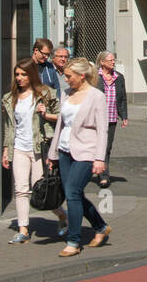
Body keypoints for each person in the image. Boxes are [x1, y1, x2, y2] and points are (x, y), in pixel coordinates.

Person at [46, 58, 111, 257]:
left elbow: (103, 130)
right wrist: (53, 153)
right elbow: (60, 125)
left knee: (73, 192)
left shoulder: (96, 96)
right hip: (65, 151)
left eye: (69, 76)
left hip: (86, 152)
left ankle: (74, 241)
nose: (65, 80)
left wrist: (99, 159)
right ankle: (100, 227)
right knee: (73, 195)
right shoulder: (66, 94)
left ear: (81, 76)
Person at [1, 59, 66, 243]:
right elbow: (9, 127)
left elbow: (63, 117)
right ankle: (23, 230)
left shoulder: (45, 93)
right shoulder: (9, 98)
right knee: (21, 190)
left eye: (23, 74)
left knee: (42, 191)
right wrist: (6, 150)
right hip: (19, 148)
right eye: (17, 75)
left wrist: (46, 114)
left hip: (39, 148)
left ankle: (62, 216)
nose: (19, 78)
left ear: (31, 75)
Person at [94, 51, 128, 187]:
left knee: (107, 147)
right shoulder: (95, 77)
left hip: (112, 117)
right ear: (102, 62)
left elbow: (123, 98)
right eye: (110, 60)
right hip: (96, 118)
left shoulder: (119, 78)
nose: (113, 62)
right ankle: (93, 170)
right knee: (94, 147)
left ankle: (104, 175)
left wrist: (124, 116)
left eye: (114, 60)